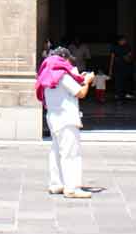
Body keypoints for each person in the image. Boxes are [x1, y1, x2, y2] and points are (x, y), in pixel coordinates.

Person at [36, 46, 94, 199]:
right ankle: (72, 187)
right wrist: (87, 82)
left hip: (53, 117)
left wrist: (79, 78)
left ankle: (56, 184)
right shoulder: (62, 75)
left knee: (56, 151)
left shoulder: (48, 75)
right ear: (64, 59)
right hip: (67, 118)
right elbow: (80, 93)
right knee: (71, 153)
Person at [108, 34, 135, 101]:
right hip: (117, 67)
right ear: (119, 41)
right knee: (118, 81)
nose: (124, 41)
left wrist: (127, 58)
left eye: (125, 40)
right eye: (123, 40)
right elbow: (112, 59)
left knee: (126, 80)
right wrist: (110, 70)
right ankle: (118, 95)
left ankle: (126, 94)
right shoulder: (115, 47)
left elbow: (130, 57)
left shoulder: (127, 47)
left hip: (126, 67)